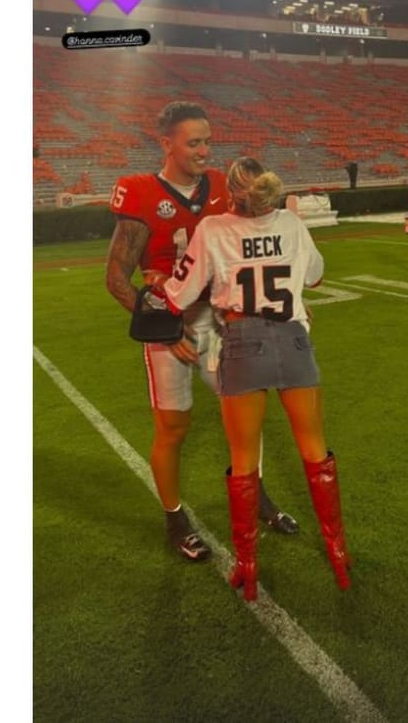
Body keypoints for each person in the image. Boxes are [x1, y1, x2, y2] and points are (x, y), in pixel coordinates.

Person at [105, 102, 299, 564]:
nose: (204, 150)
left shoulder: (222, 186)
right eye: (193, 142)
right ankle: (175, 519)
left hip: (221, 321)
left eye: (207, 141)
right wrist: (166, 329)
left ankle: (257, 498)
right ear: (166, 143)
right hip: (170, 326)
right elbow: (116, 278)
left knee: (244, 415)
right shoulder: (140, 191)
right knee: (173, 427)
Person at [161, 157, 352, 602]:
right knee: (315, 450)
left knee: (244, 458)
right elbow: (317, 277)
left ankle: (247, 568)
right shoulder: (290, 222)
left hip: (243, 343)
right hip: (293, 339)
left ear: (230, 191)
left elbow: (178, 295)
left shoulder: (212, 228)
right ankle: (339, 556)